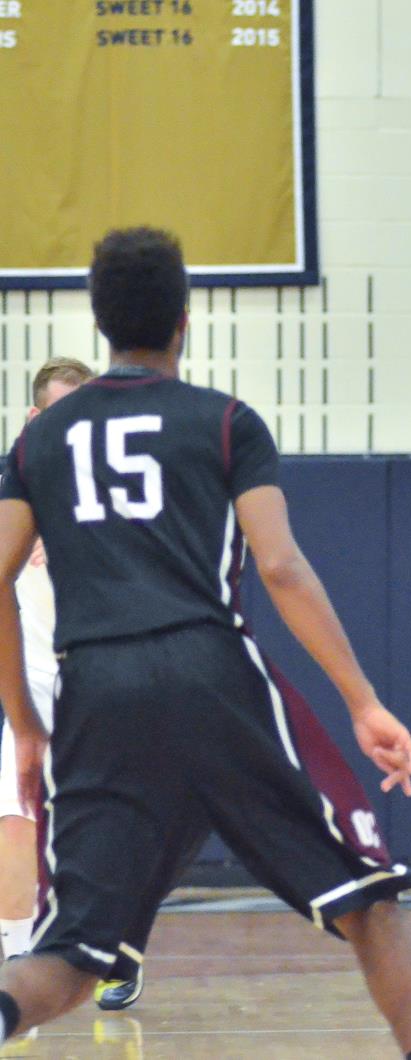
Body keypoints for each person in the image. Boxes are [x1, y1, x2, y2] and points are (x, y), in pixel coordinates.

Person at [0, 228, 411, 1058]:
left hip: (94, 688)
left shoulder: (37, 443)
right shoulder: (225, 422)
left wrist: (26, 727)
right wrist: (362, 700)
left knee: (64, 957)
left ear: (100, 322)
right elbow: (279, 566)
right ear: (185, 319)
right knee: (369, 900)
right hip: (210, 672)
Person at [0, 357, 166, 1013]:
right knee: (13, 812)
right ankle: (15, 958)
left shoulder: (123, 485)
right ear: (38, 417)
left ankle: (118, 952)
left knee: (113, 831)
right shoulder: (13, 483)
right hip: (31, 679)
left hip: (108, 676)